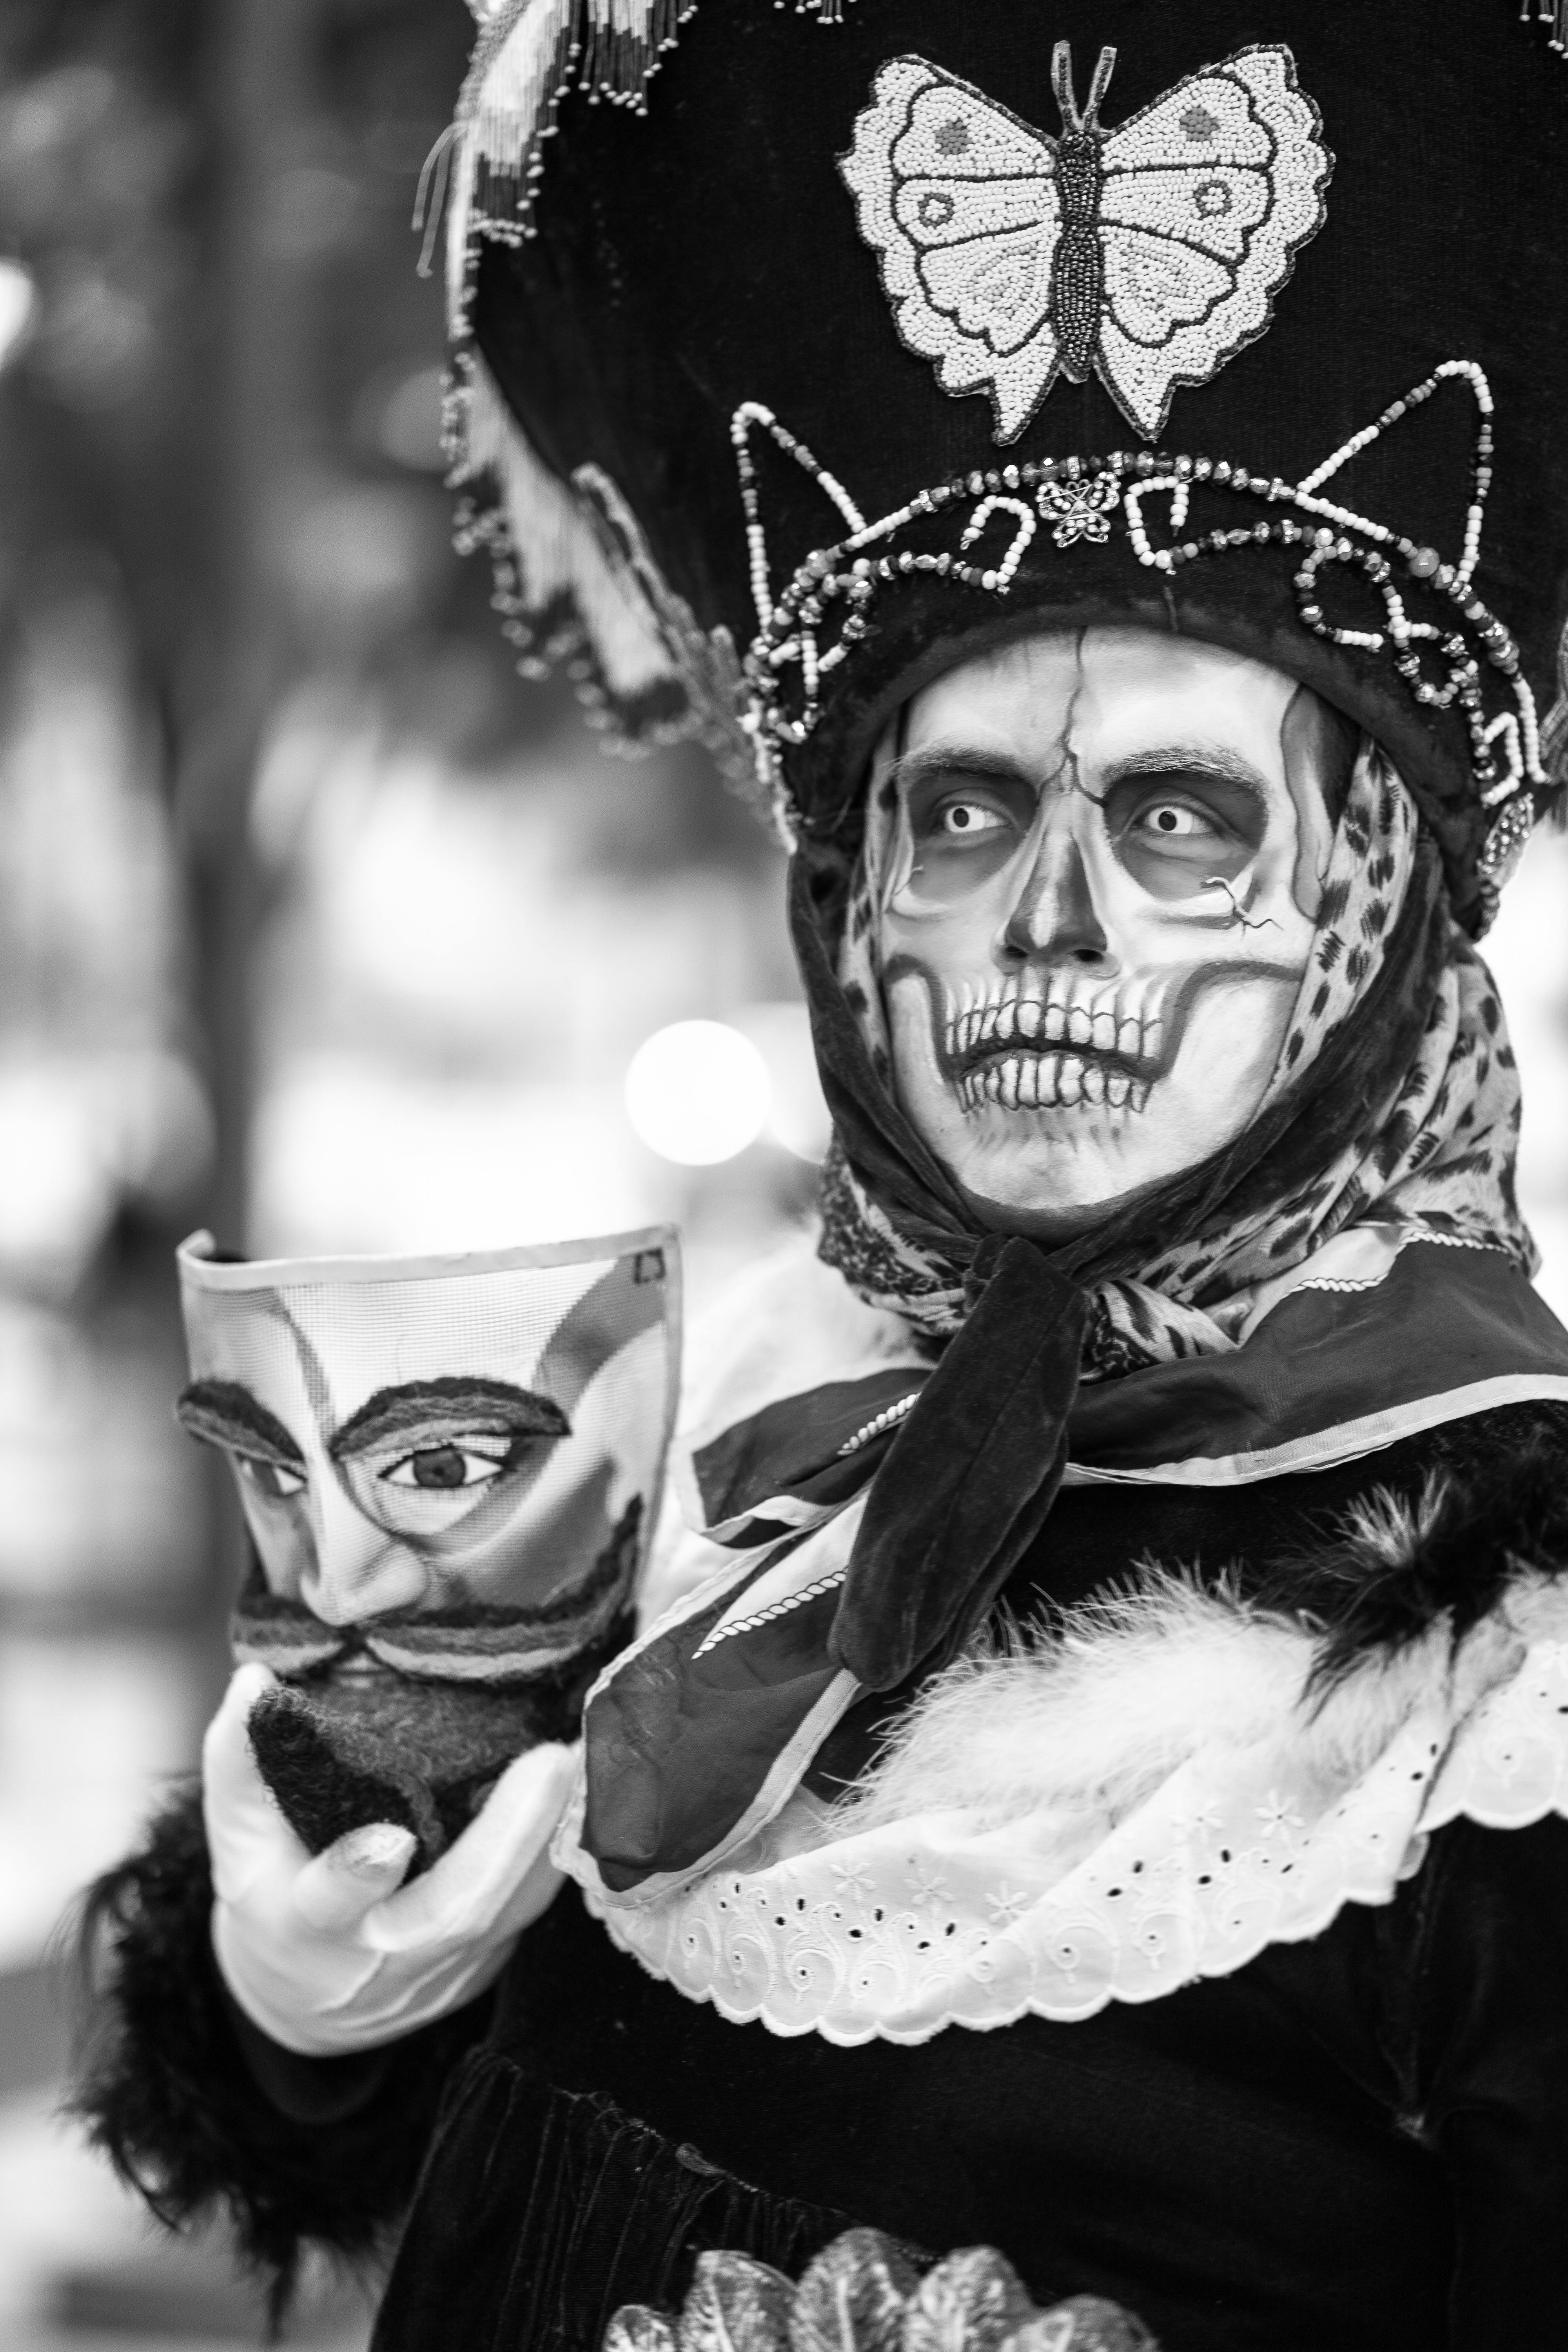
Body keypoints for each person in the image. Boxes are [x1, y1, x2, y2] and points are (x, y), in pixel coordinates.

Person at [74, 4, 1568, 2347]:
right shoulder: (733, 1496)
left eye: (1177, 822)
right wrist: (317, 2000)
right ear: (840, 914)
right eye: (958, 816)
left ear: (1375, 908)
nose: (1042, 924)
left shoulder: (1517, 1679)